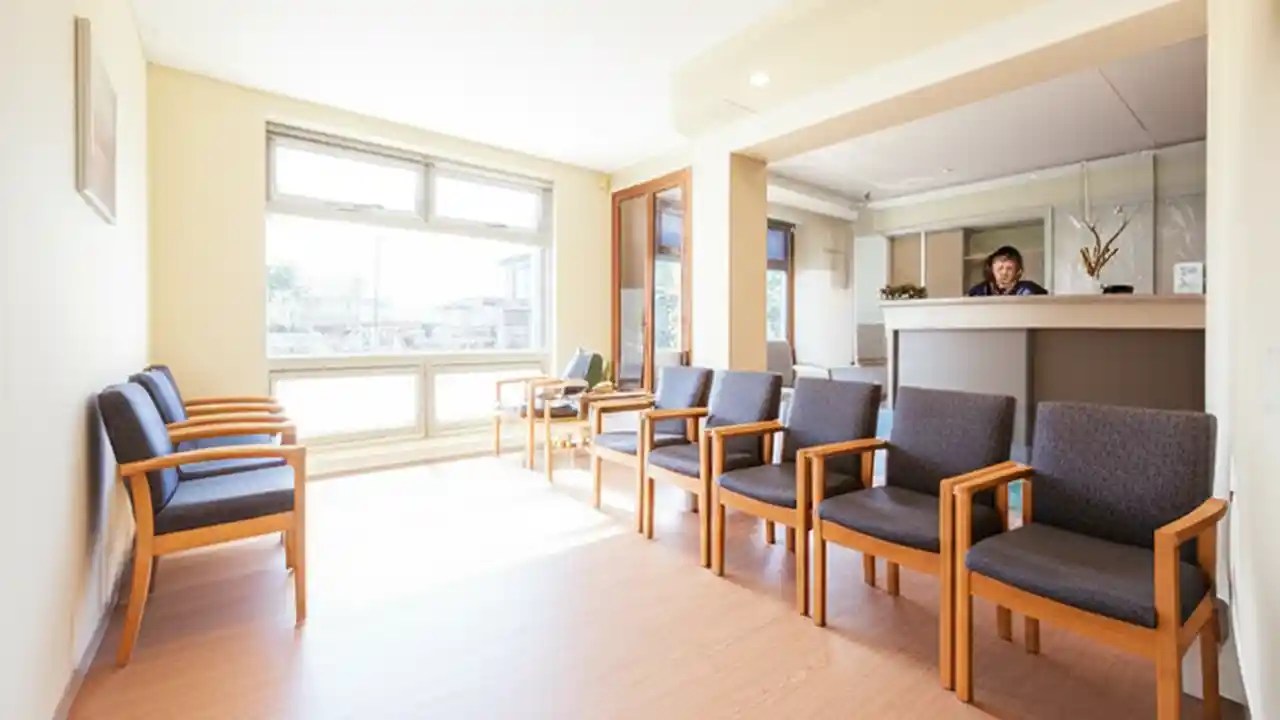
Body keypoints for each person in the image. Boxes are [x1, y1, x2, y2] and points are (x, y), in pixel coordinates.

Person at [967, 245, 1048, 296]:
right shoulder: (978, 291)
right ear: (992, 270)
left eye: (1009, 269)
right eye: (1000, 268)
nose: (1004, 273)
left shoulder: (1029, 290)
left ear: (1018, 271)